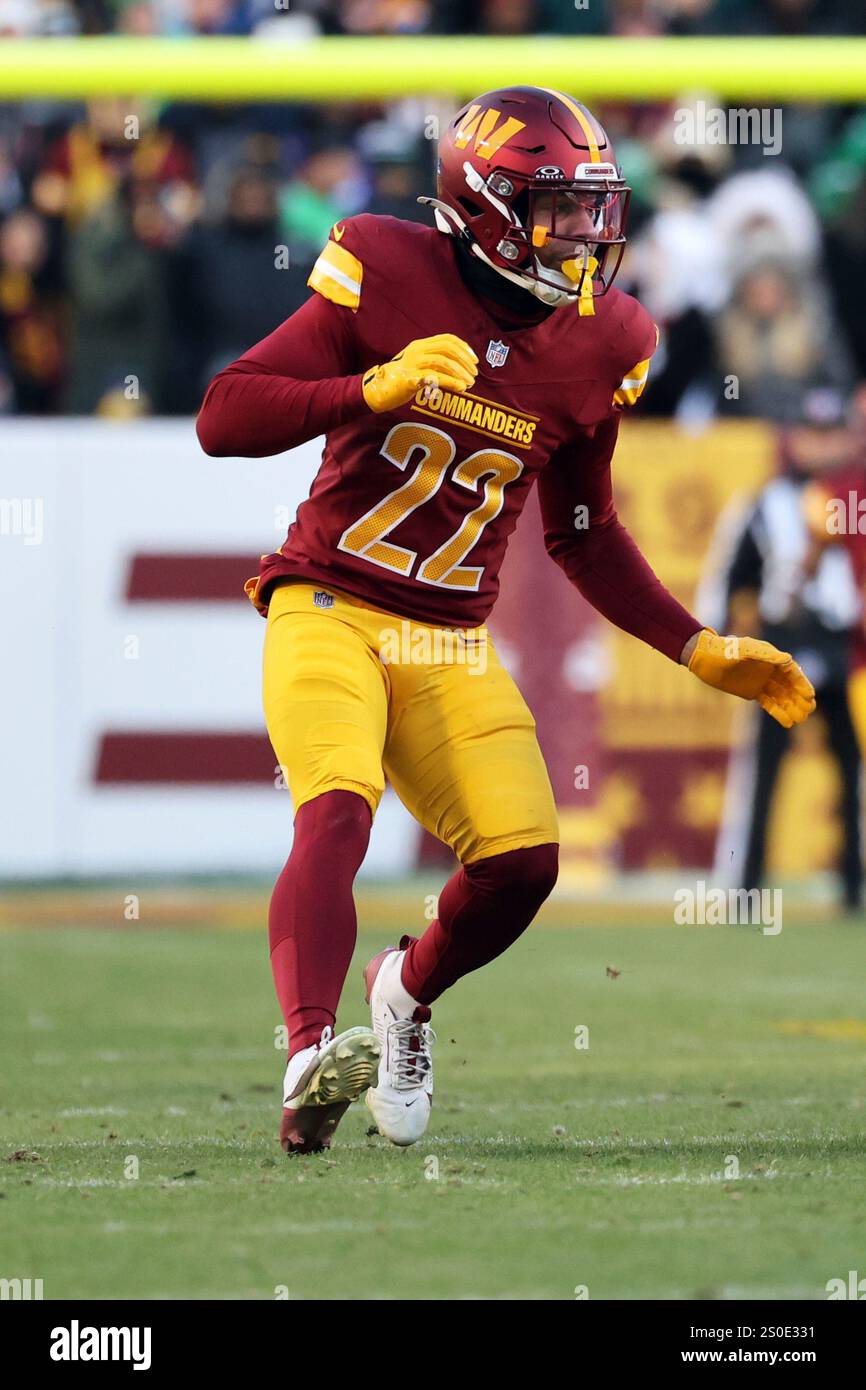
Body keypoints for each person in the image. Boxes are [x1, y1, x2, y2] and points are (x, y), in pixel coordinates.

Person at [197, 86, 816, 1155]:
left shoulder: (604, 337)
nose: (585, 233)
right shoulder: (383, 266)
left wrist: (695, 644)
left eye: (593, 208)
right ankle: (308, 1054)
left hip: (446, 635)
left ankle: (402, 994)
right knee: (335, 811)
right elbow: (225, 413)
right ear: (484, 207)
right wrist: (368, 387)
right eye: (558, 209)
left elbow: (581, 529)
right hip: (330, 600)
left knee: (523, 863)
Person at [704, 387, 862, 909]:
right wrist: (719, 645)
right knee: (763, 767)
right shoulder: (763, 502)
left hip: (845, 641)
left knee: (852, 765)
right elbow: (733, 577)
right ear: (794, 438)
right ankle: (746, 887)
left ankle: (854, 886)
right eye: (811, 434)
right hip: (785, 642)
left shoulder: (856, 497)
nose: (820, 446)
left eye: (830, 433)